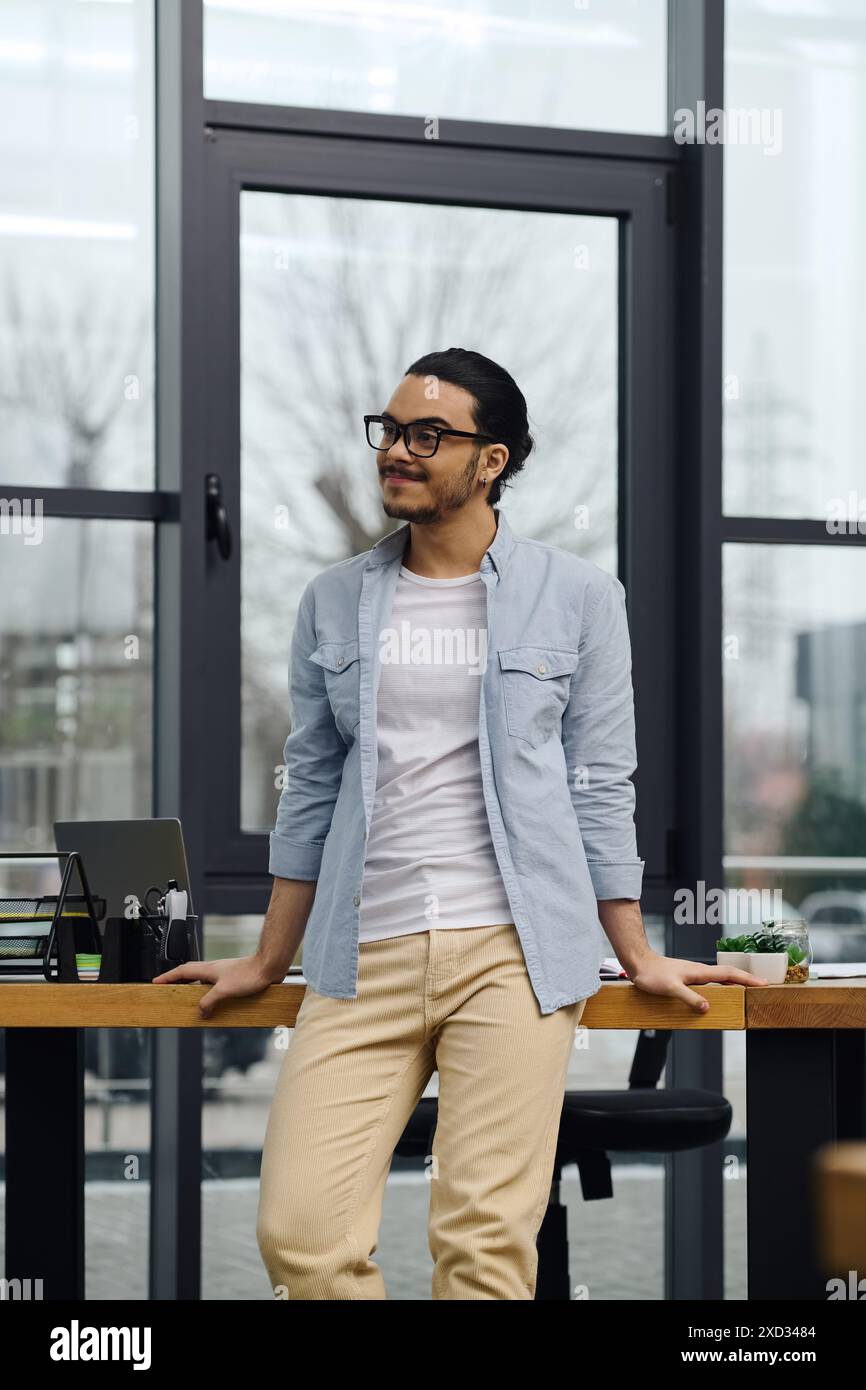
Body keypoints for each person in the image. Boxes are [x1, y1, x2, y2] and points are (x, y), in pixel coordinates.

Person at [155, 347, 764, 1300]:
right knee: (300, 1237)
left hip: (515, 954)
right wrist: (270, 960)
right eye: (391, 429)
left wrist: (634, 952)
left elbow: (601, 782)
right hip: (365, 951)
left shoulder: (579, 598)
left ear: (493, 460)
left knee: (483, 1248)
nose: (397, 450)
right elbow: (309, 786)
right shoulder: (334, 600)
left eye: (427, 435)